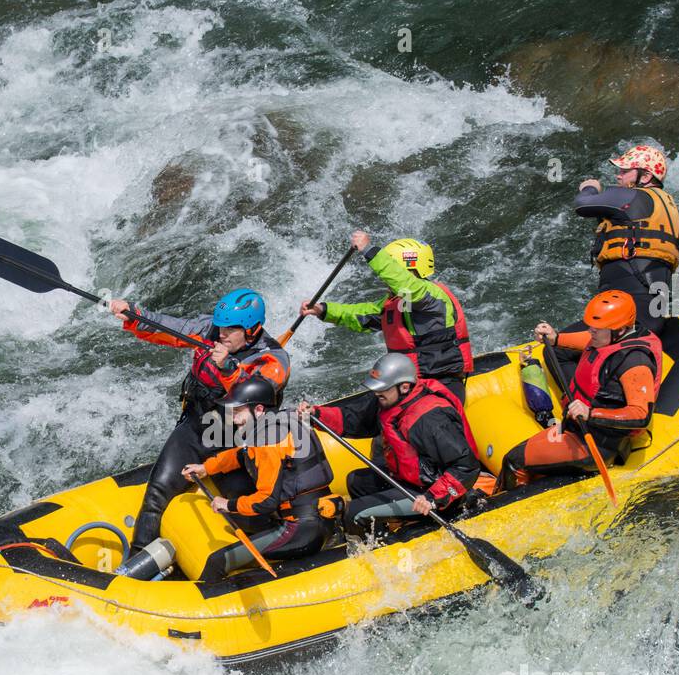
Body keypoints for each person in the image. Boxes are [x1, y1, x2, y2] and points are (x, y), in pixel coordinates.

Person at [109, 289, 290, 564]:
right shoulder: (210, 329)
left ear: (252, 330)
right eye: (221, 326)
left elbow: (257, 395)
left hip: (236, 442)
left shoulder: (272, 360)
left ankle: (278, 552)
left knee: (251, 510)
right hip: (196, 427)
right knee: (156, 493)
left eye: (231, 329)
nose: (222, 334)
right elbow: (171, 329)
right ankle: (134, 565)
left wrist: (229, 368)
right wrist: (134, 314)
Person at [302, 354, 491, 539]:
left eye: (381, 390)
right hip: (412, 480)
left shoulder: (431, 419)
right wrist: (317, 414)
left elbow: (466, 466)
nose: (377, 394)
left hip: (435, 492)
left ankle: (373, 553)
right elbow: (357, 419)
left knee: (355, 513)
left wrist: (433, 498)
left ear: (404, 386)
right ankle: (385, 535)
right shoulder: (389, 400)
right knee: (356, 481)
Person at [498, 290, 662, 490]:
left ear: (619, 330)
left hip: (599, 442)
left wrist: (590, 413)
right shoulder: (611, 337)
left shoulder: (636, 363)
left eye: (597, 329)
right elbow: (589, 340)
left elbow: (640, 415)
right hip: (578, 427)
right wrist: (555, 338)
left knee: (513, 461)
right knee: (518, 455)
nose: (591, 332)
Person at [181, 378, 335, 581]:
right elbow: (244, 454)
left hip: (301, 530)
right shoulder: (286, 419)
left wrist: (227, 504)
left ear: (259, 409)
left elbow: (266, 501)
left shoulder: (266, 441)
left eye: (238, 412)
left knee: (217, 561)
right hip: (326, 517)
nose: (234, 419)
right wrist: (206, 467)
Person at [299, 230, 473, 403]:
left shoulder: (431, 296)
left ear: (412, 271)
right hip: (411, 385)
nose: (385, 281)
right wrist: (323, 310)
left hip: (442, 385)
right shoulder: (399, 301)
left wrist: (369, 250)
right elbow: (363, 314)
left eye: (396, 270)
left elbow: (404, 283)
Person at [574, 144, 679, 336]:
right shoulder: (668, 207)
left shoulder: (632, 195)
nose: (619, 175)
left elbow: (582, 205)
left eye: (625, 170)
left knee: (558, 347)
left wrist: (590, 187)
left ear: (646, 176)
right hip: (652, 303)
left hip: (627, 300)